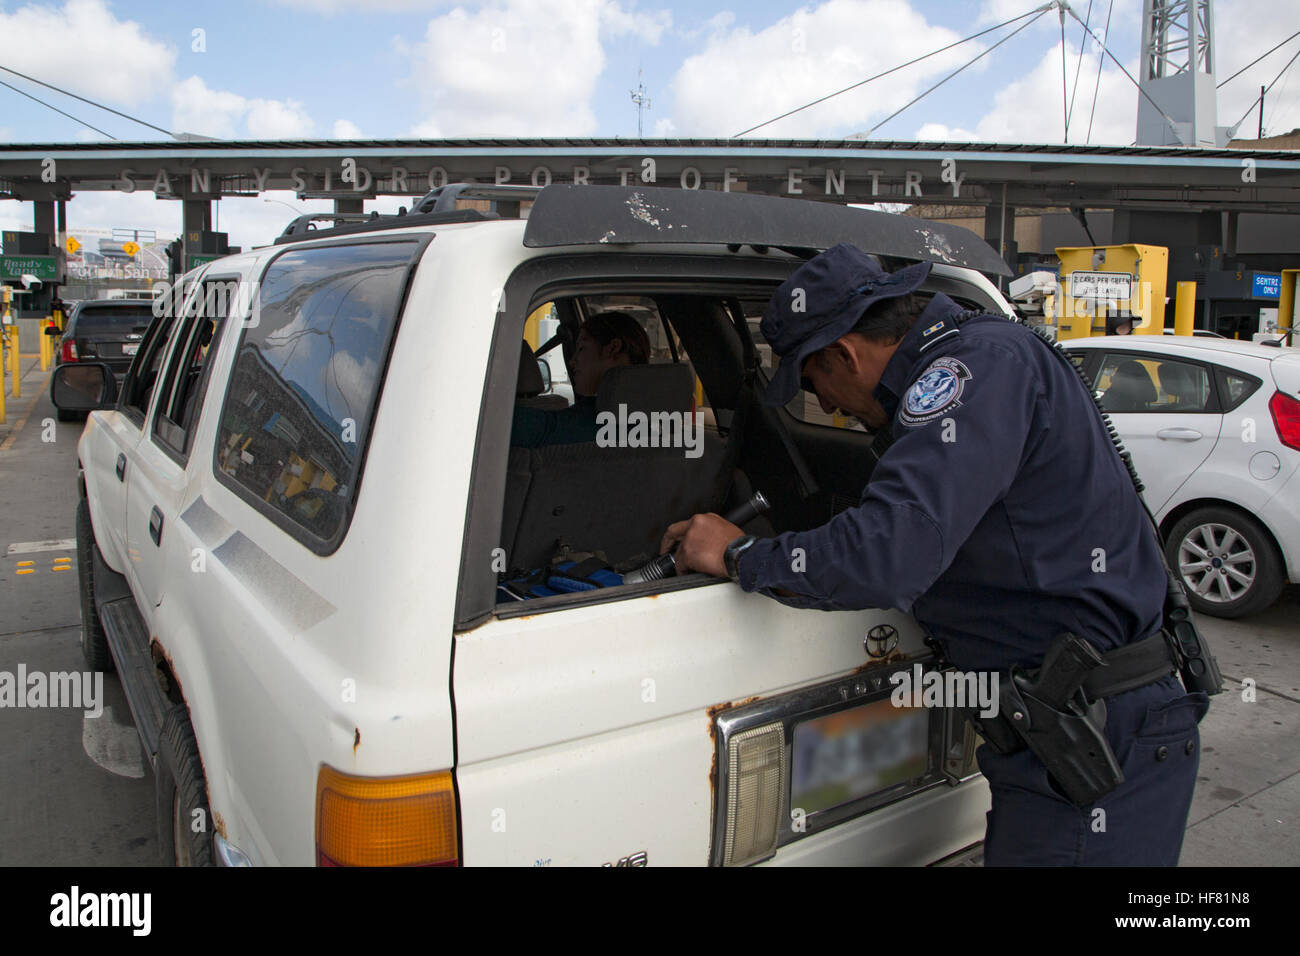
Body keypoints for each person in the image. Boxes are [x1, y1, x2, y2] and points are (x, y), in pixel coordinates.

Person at [661, 242, 1209, 866]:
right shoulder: (983, 355)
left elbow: (891, 553)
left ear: (843, 353)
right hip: (1068, 730)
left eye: (814, 382)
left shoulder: (973, 370)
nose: (829, 405)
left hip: (1099, 738)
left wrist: (741, 556)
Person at [511, 310, 650, 448]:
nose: (572, 361)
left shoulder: (578, 424)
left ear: (613, 348)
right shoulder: (662, 420)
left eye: (582, 348)